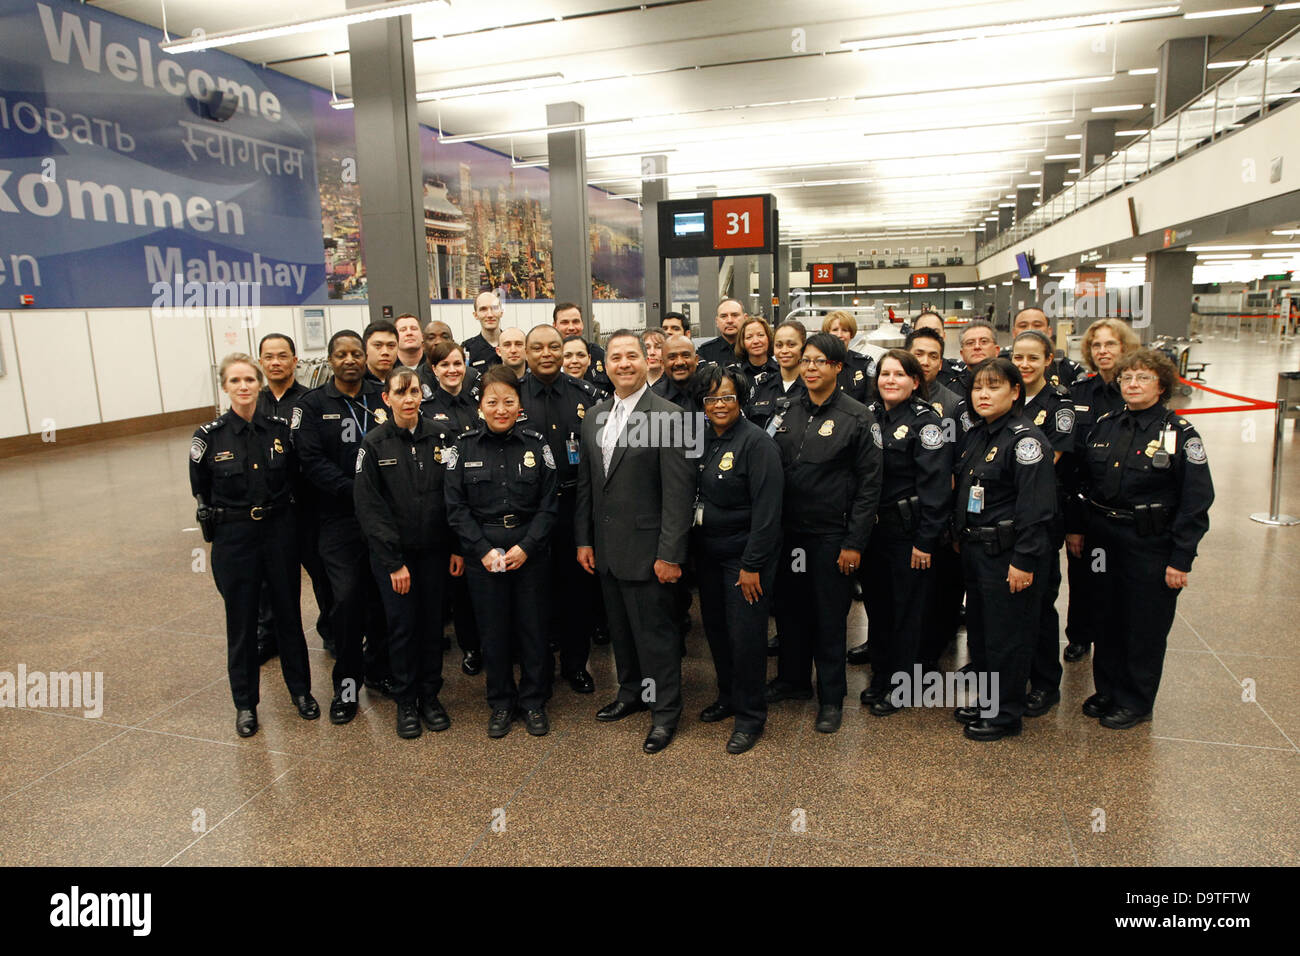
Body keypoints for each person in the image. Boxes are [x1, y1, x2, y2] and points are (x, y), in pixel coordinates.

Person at [1067, 348, 1213, 728]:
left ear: (1161, 385)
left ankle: (1135, 699)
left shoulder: (1180, 434)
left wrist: (1181, 558)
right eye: (1127, 377)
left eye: (1143, 378)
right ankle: (1108, 689)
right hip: (1103, 536)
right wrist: (1078, 527)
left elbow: (1196, 501)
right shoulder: (1106, 424)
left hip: (1149, 541)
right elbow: (1084, 482)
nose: (1133, 384)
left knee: (1142, 624)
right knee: (1106, 616)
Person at [576, 330, 695, 753]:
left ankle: (665, 711)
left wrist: (670, 554)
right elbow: (588, 486)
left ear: (649, 360)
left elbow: (679, 495)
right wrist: (584, 540)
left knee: (656, 636)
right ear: (604, 365)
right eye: (615, 358)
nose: (623, 364)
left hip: (650, 552)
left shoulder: (670, 416)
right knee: (621, 631)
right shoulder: (593, 415)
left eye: (632, 356)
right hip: (607, 550)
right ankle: (631, 693)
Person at [190, 354, 317, 738]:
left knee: (288, 617)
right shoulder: (209, 437)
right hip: (235, 539)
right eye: (236, 381)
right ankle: (246, 705)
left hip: (278, 532)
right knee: (242, 623)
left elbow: (295, 479)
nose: (244, 387)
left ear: (259, 385)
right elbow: (201, 490)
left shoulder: (278, 431)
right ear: (225, 387)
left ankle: (301, 693)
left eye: (249, 380)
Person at [768, 332, 882, 734]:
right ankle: (792, 681)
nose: (810, 368)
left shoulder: (858, 417)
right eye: (806, 361)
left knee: (829, 618)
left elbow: (870, 487)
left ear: (837, 367)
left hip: (831, 536)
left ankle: (831, 697)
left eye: (820, 362)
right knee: (790, 611)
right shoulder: (785, 410)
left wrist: (854, 543)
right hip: (789, 534)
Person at [445, 366, 560, 738]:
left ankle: (533, 701)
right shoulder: (462, 447)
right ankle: (500, 702)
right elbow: (455, 507)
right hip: (484, 554)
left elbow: (549, 503)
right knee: (493, 632)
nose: (500, 409)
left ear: (519, 404)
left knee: (533, 628)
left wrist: (527, 547)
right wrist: (481, 550)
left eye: (508, 401)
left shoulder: (536, 444)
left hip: (530, 551)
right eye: (492, 402)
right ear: (480, 406)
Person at [951, 358, 1057, 741]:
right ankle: (987, 702)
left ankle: (1005, 714)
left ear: (1015, 392)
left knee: (1007, 639)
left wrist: (1024, 561)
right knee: (982, 636)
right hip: (978, 551)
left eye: (993, 386)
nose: (983, 393)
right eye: (978, 387)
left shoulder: (1026, 441)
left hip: (1009, 554)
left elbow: (1038, 509)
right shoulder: (980, 434)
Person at [353, 367, 461, 739]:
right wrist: (394, 562)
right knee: (402, 628)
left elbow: (454, 495)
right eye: (400, 392)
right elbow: (369, 507)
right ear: (387, 399)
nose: (409, 398)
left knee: (432, 626)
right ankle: (406, 701)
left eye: (414, 391)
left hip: (434, 553)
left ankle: (430, 696)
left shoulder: (442, 436)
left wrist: (456, 547)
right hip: (394, 559)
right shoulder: (374, 443)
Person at [294, 330, 392, 723]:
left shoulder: (381, 395)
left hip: (385, 517)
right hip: (340, 518)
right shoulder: (313, 405)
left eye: (356, 353)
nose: (349, 360)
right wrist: (355, 491)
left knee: (384, 600)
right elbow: (311, 460)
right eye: (341, 354)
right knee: (348, 602)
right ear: (330, 360)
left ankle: (381, 671)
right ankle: (347, 688)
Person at [849, 351, 953, 714]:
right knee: (879, 609)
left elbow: (936, 487)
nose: (889, 380)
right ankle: (882, 675)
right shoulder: (870, 416)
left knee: (908, 612)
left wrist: (926, 541)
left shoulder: (927, 424)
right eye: (884, 374)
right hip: (873, 530)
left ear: (915, 381)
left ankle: (903, 684)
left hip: (908, 531)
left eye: (898, 375)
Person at [691, 365, 784, 754]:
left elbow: (768, 513)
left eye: (727, 397)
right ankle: (728, 696)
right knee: (716, 631)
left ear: (740, 399)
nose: (719, 405)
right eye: (712, 398)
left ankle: (750, 716)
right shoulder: (699, 438)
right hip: (707, 555)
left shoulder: (757, 443)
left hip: (744, 558)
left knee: (746, 638)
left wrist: (752, 566)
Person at [520, 325, 606, 693]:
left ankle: (576, 665)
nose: (547, 353)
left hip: (574, 506)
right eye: (537, 347)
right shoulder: (513, 396)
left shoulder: (588, 396)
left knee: (577, 592)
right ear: (526, 353)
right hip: (528, 510)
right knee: (534, 594)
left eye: (554, 347)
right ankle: (536, 671)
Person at [1063, 317, 1141, 663]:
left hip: (1123, 509)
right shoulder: (1080, 393)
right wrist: (1074, 522)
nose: (1103, 351)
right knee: (1082, 576)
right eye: (1096, 345)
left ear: (1124, 347)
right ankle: (1080, 635)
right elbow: (1071, 458)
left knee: (1117, 582)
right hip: (1084, 504)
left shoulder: (1133, 391)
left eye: (1110, 344)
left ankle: (1114, 639)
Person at [255, 333, 333, 661]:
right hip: (270, 510)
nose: (276, 362)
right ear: (261, 361)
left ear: (294, 361)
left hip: (307, 505)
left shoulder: (309, 401)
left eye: (282, 356)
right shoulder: (252, 403)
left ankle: (332, 630)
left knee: (322, 573)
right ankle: (269, 633)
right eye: (269, 356)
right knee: (270, 579)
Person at [1011, 330, 1077, 717]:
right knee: (1010, 604)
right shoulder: (1009, 394)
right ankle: (1013, 674)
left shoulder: (1059, 406)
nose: (1024, 364)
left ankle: (1046, 682)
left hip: (1039, 516)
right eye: (1019, 356)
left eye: (1033, 358)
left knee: (1039, 603)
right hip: (1004, 518)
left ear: (1048, 360)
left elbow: (1045, 462)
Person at [420, 339, 483, 675]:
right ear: (433, 370)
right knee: (460, 586)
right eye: (444, 365)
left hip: (482, 502)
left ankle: (491, 640)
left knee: (483, 580)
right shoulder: (426, 410)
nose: (452, 370)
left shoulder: (477, 403)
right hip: (448, 505)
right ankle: (471, 647)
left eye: (457, 363)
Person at [905, 326, 965, 672]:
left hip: (938, 510)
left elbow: (954, 462)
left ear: (941, 363)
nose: (925, 361)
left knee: (938, 587)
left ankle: (930, 652)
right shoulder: (890, 393)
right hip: (899, 512)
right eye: (918, 354)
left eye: (933, 356)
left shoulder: (952, 405)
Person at [1003, 307, 1089, 389]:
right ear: (1014, 332)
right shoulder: (1001, 363)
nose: (1030, 330)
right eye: (1023, 326)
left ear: (1049, 332)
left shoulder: (1067, 369)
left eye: (1037, 325)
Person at [745, 319, 807, 432]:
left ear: (803, 347)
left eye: (791, 345)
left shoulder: (812, 388)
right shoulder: (761, 387)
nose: (784, 350)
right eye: (779, 345)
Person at [554, 302, 609, 389]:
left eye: (576, 322)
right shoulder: (549, 357)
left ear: (582, 324)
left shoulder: (597, 354)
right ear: (555, 326)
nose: (571, 327)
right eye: (565, 322)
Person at [822, 310, 873, 403]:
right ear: (827, 334)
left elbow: (872, 399)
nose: (839, 335)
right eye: (835, 330)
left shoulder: (864, 363)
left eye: (844, 330)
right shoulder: (818, 364)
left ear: (851, 334)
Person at [913, 311, 965, 392]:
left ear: (944, 336)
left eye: (935, 332)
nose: (930, 337)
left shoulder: (960, 375)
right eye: (923, 332)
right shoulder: (900, 373)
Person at [463, 291, 505, 374]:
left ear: (501, 312)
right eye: (483, 309)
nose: (489, 314)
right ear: (475, 315)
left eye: (494, 308)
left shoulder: (514, 344)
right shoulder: (467, 349)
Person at [696, 298, 745, 366]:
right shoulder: (705, 352)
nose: (729, 320)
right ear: (717, 321)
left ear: (745, 318)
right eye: (724, 316)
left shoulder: (754, 348)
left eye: (735, 315)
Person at [655, 334, 698, 408]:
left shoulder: (711, 392)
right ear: (662, 364)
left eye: (686, 356)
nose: (679, 362)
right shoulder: (653, 398)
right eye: (672, 357)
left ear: (696, 360)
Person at [956, 321, 1000, 393]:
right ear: (962, 354)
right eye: (970, 343)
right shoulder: (950, 389)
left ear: (996, 350)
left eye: (984, 341)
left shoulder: (1008, 383)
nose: (977, 346)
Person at [733, 316, 778, 381]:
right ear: (742, 342)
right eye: (749, 337)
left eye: (760, 335)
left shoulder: (781, 370)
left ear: (768, 338)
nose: (756, 341)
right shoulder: (735, 374)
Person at [362, 320, 400, 387]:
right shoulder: (356, 383)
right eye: (378, 345)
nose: (385, 352)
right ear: (365, 348)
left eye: (391, 345)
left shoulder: (408, 379)